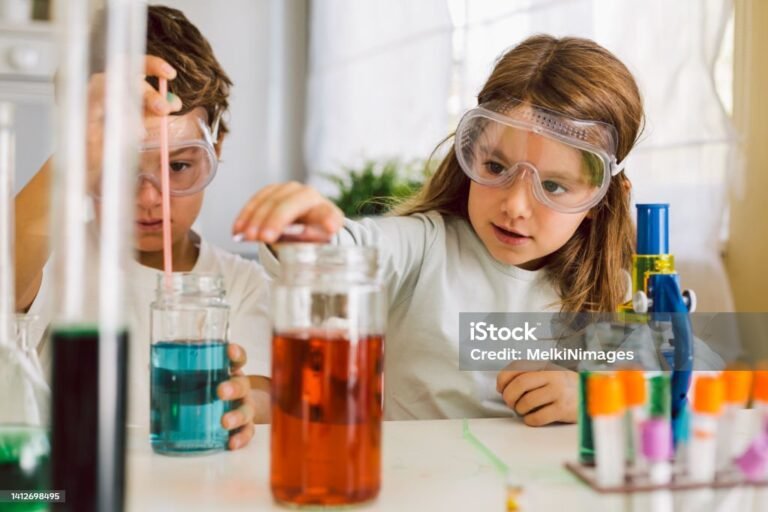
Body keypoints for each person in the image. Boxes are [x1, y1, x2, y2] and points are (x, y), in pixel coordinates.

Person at [232, 35, 644, 425]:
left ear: (599, 198)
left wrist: (594, 394)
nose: (515, 206)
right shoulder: (422, 247)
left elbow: (672, 387)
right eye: (495, 168)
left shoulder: (613, 291)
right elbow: (341, 253)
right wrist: (303, 232)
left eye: (552, 185)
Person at [14, 5, 270, 448]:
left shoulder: (243, 284)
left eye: (179, 165)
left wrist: (246, 405)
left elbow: (265, 394)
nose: (150, 197)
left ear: (216, 147)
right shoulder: (56, 261)